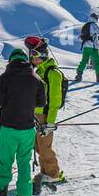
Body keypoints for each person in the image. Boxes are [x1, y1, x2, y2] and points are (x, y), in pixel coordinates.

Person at [0, 48, 46, 196]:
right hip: (28, 128)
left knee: (5, 160)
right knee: (24, 161)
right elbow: (41, 102)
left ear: (11, 61)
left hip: (9, 127)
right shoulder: (35, 78)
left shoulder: (6, 77)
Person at [28, 35, 67, 186]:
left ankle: (53, 174)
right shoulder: (39, 71)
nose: (32, 58)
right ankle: (45, 171)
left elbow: (55, 100)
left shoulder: (53, 73)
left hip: (45, 115)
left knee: (45, 146)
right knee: (38, 146)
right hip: (36, 114)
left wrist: (50, 122)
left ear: (43, 55)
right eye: (32, 55)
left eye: (35, 55)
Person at [74, 12, 99, 82]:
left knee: (84, 61)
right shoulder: (93, 25)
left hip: (86, 46)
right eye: (97, 18)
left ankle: (78, 75)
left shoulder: (86, 25)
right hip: (94, 47)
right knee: (97, 62)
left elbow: (91, 34)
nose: (97, 19)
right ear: (95, 18)